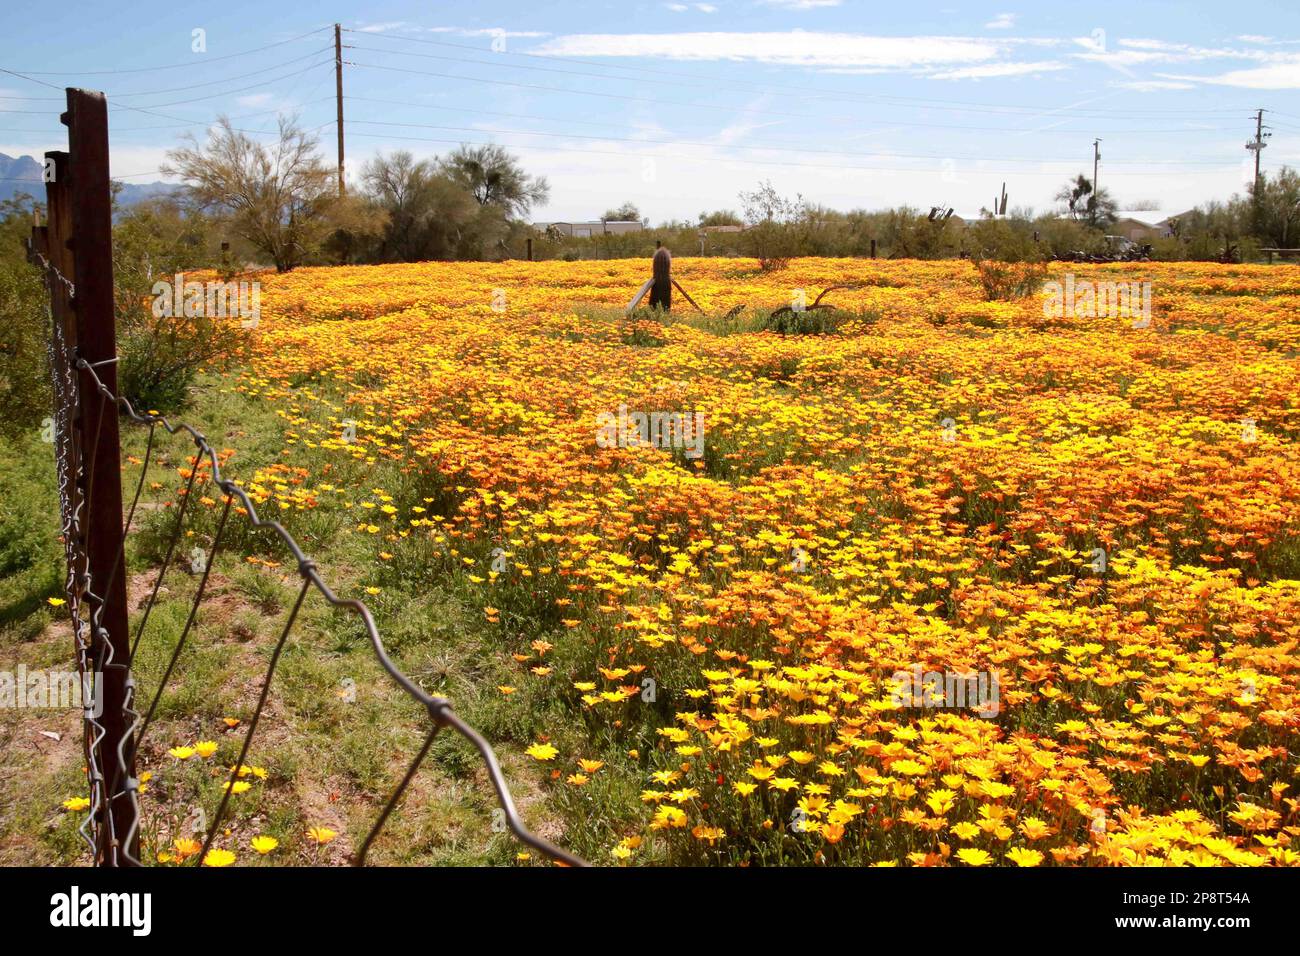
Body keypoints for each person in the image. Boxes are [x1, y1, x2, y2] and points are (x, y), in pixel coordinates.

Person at [626, 245, 673, 314]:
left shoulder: (657, 280)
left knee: (655, 304)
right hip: (664, 282)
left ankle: (655, 315)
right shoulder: (666, 281)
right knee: (664, 304)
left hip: (659, 282)